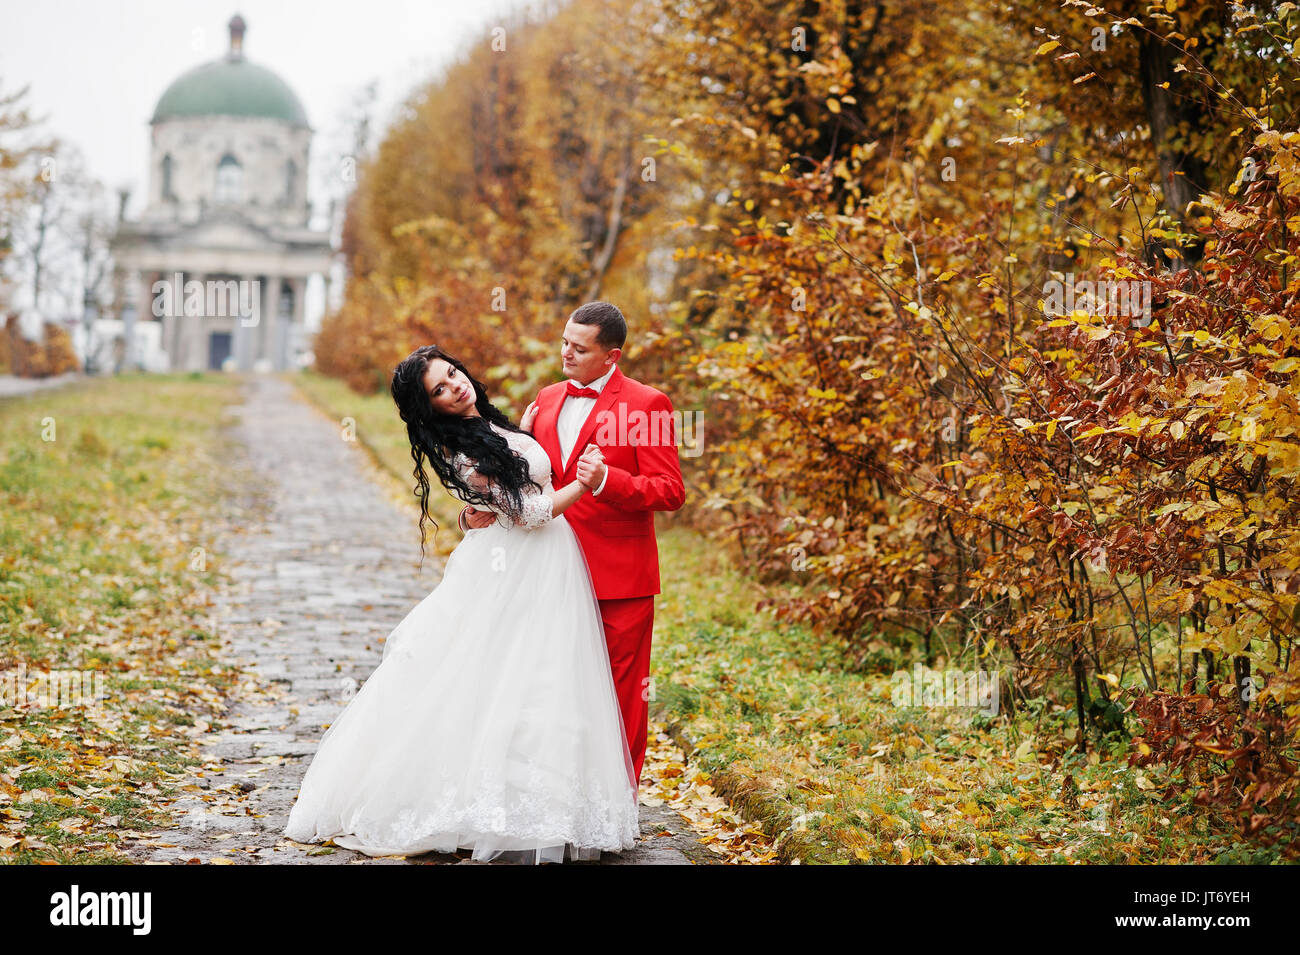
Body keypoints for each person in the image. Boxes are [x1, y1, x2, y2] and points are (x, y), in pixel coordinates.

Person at [283, 344, 639, 864]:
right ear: (432, 409)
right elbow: (530, 512)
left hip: (545, 565)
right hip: (513, 564)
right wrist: (583, 486)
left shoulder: (494, 424)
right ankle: (484, 807)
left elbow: (503, 497)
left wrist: (474, 511)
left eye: (452, 374)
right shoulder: (459, 449)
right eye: (440, 390)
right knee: (495, 672)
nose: (455, 386)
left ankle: (544, 804)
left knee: (543, 677)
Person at [460, 302, 686, 787]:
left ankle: (617, 803)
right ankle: (557, 796)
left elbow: (670, 491)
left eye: (579, 348)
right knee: (550, 689)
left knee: (621, 694)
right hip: (545, 570)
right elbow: (528, 484)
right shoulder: (545, 398)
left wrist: (609, 481)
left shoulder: (648, 405)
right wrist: (483, 510)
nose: (566, 353)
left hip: (618, 578)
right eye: (564, 342)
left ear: (612, 355)